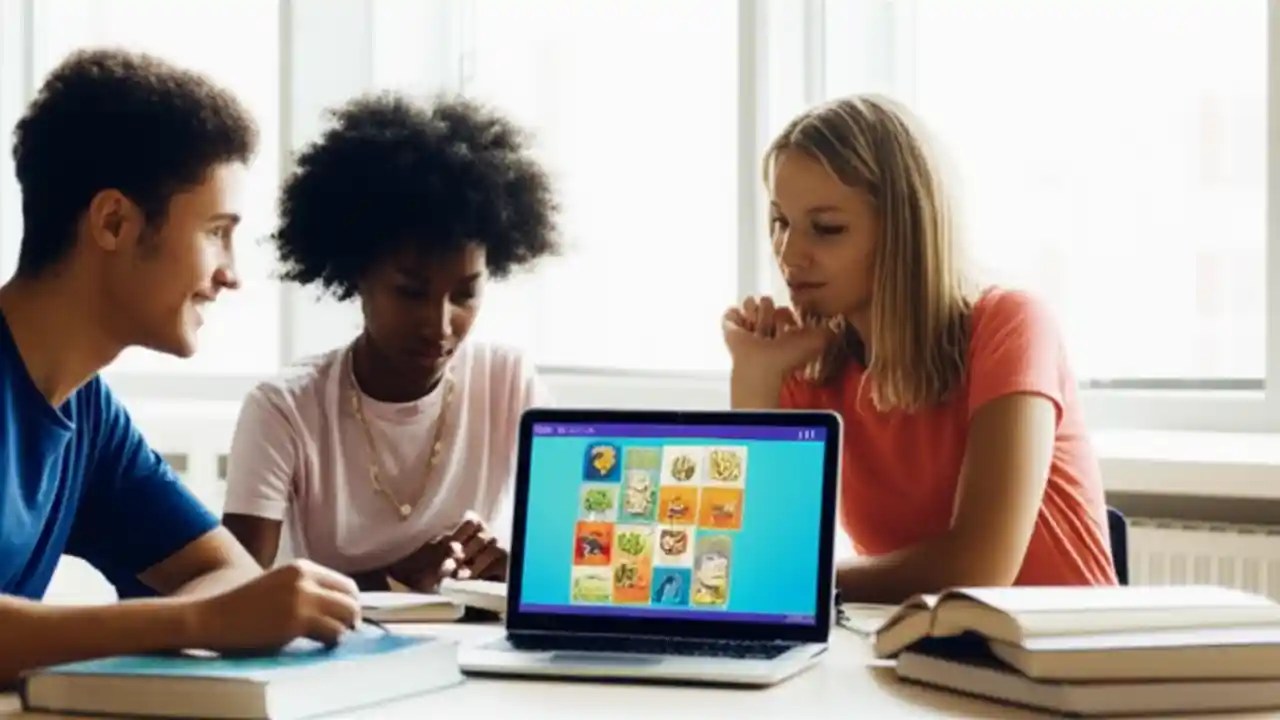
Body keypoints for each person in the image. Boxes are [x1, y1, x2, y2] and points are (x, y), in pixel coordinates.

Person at [0, 49, 362, 684]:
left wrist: (214, 614)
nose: (231, 274)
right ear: (114, 222)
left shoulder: (87, 412)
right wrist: (198, 624)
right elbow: (219, 606)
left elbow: (224, 572)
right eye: (216, 231)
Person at [722, 95, 1116, 604]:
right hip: (916, 661)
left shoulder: (1010, 325)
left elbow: (980, 566)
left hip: (1063, 666)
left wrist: (809, 581)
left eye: (826, 228)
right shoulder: (808, 363)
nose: (788, 253)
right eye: (780, 222)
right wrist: (755, 376)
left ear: (903, 232)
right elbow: (758, 567)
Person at [222, 93, 559, 593]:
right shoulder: (284, 409)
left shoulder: (509, 382)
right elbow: (237, 598)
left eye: (465, 294)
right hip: (337, 655)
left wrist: (518, 572)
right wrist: (396, 580)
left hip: (471, 652)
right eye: (410, 292)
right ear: (358, 275)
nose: (440, 324)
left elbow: (567, 569)